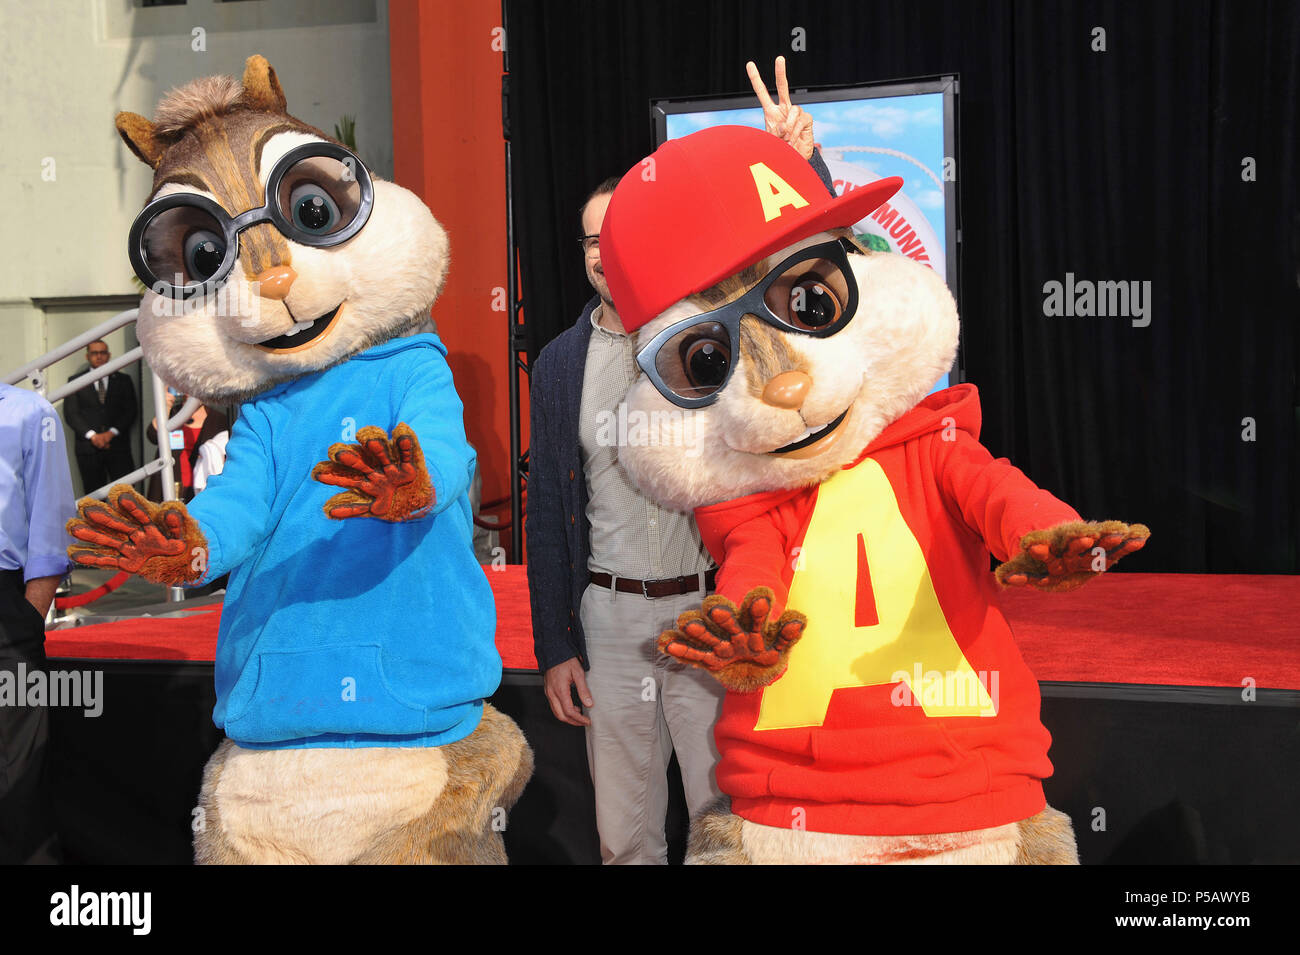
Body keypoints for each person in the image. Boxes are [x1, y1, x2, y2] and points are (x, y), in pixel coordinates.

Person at [526, 57, 828, 864]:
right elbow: (548, 514)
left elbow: (795, 285)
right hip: (612, 621)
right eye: (586, 241)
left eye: (611, 235)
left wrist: (802, 164)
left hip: (706, 615)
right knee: (623, 837)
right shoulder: (558, 363)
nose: (599, 254)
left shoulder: (707, 330)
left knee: (719, 822)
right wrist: (554, 644)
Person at [0, 381, 77, 863]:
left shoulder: (32, 413)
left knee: (16, 768)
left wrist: (28, 613)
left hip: (6, 609)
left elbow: (52, 521)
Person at [63, 339, 137, 494]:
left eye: (103, 353)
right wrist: (93, 436)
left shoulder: (123, 381)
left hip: (118, 447)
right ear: (87, 356)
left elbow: (130, 410)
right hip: (89, 449)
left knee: (126, 494)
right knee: (94, 496)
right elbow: (71, 414)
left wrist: (111, 433)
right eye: (94, 353)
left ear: (109, 355)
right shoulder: (75, 381)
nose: (99, 356)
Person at [144, 390, 230, 503]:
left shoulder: (219, 419)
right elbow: (153, 436)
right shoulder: (173, 412)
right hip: (169, 486)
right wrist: (165, 408)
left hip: (200, 490)